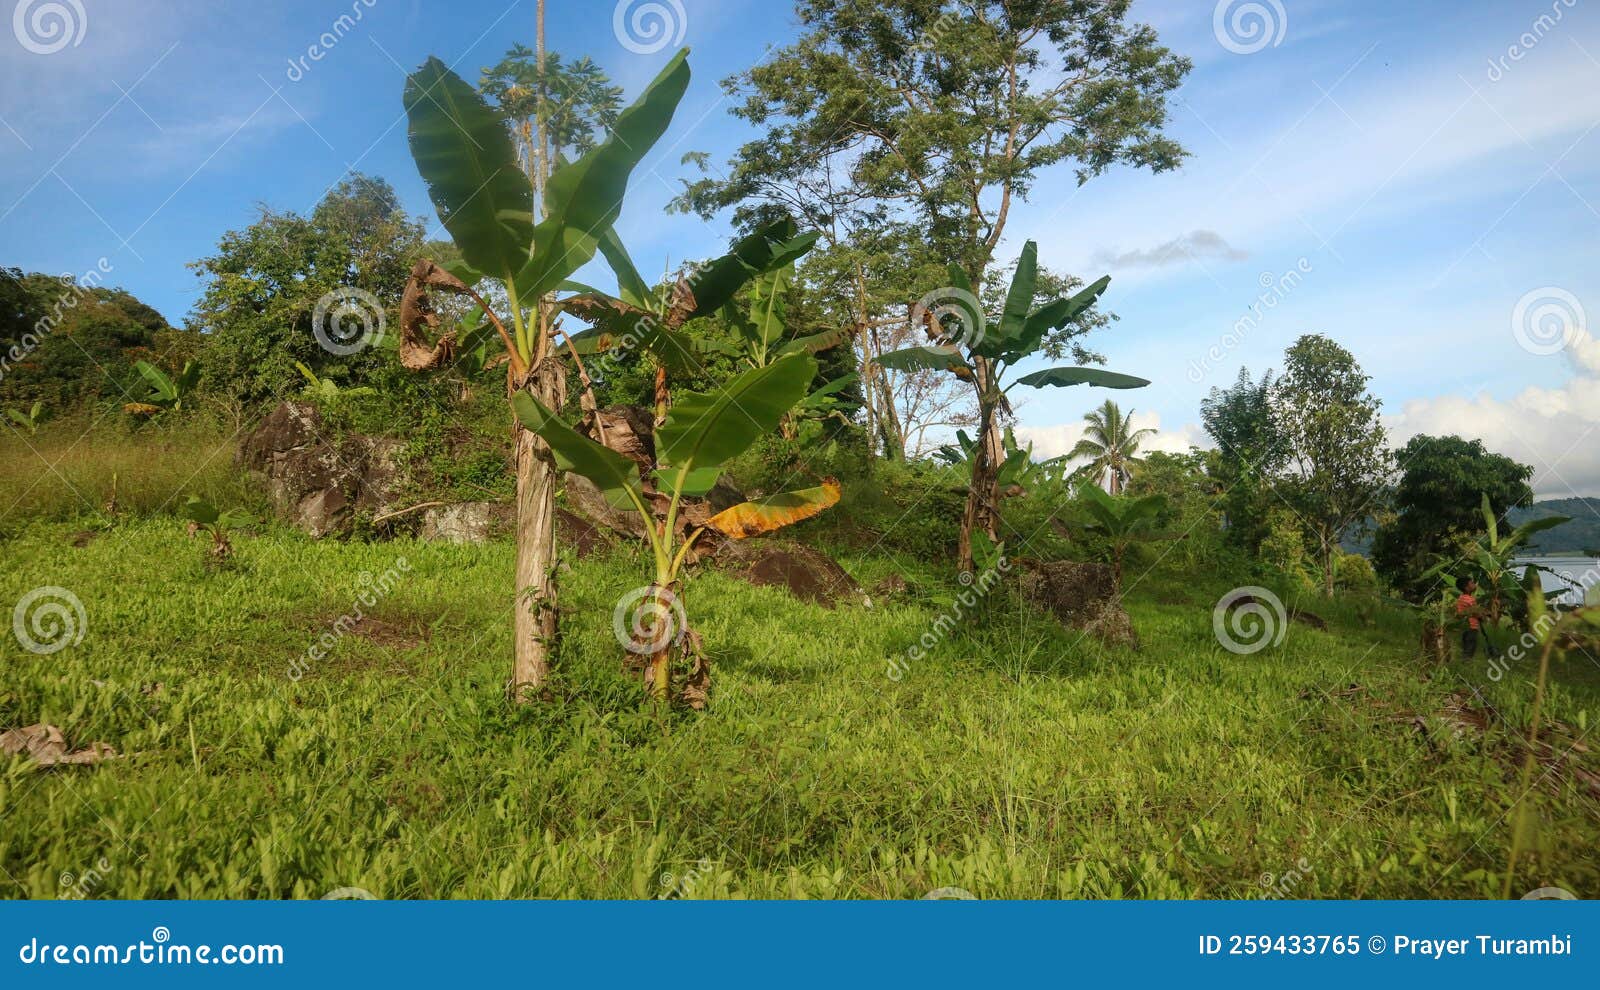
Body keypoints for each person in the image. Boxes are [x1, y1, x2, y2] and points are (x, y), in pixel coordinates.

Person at [1456, 578, 1481, 658]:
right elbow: (1476, 612)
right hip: (1471, 627)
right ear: (1466, 588)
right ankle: (1466, 663)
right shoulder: (1469, 599)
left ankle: (1464, 662)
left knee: (1466, 646)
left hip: (1465, 627)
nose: (1475, 584)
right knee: (1470, 648)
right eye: (1472, 583)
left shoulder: (1462, 597)